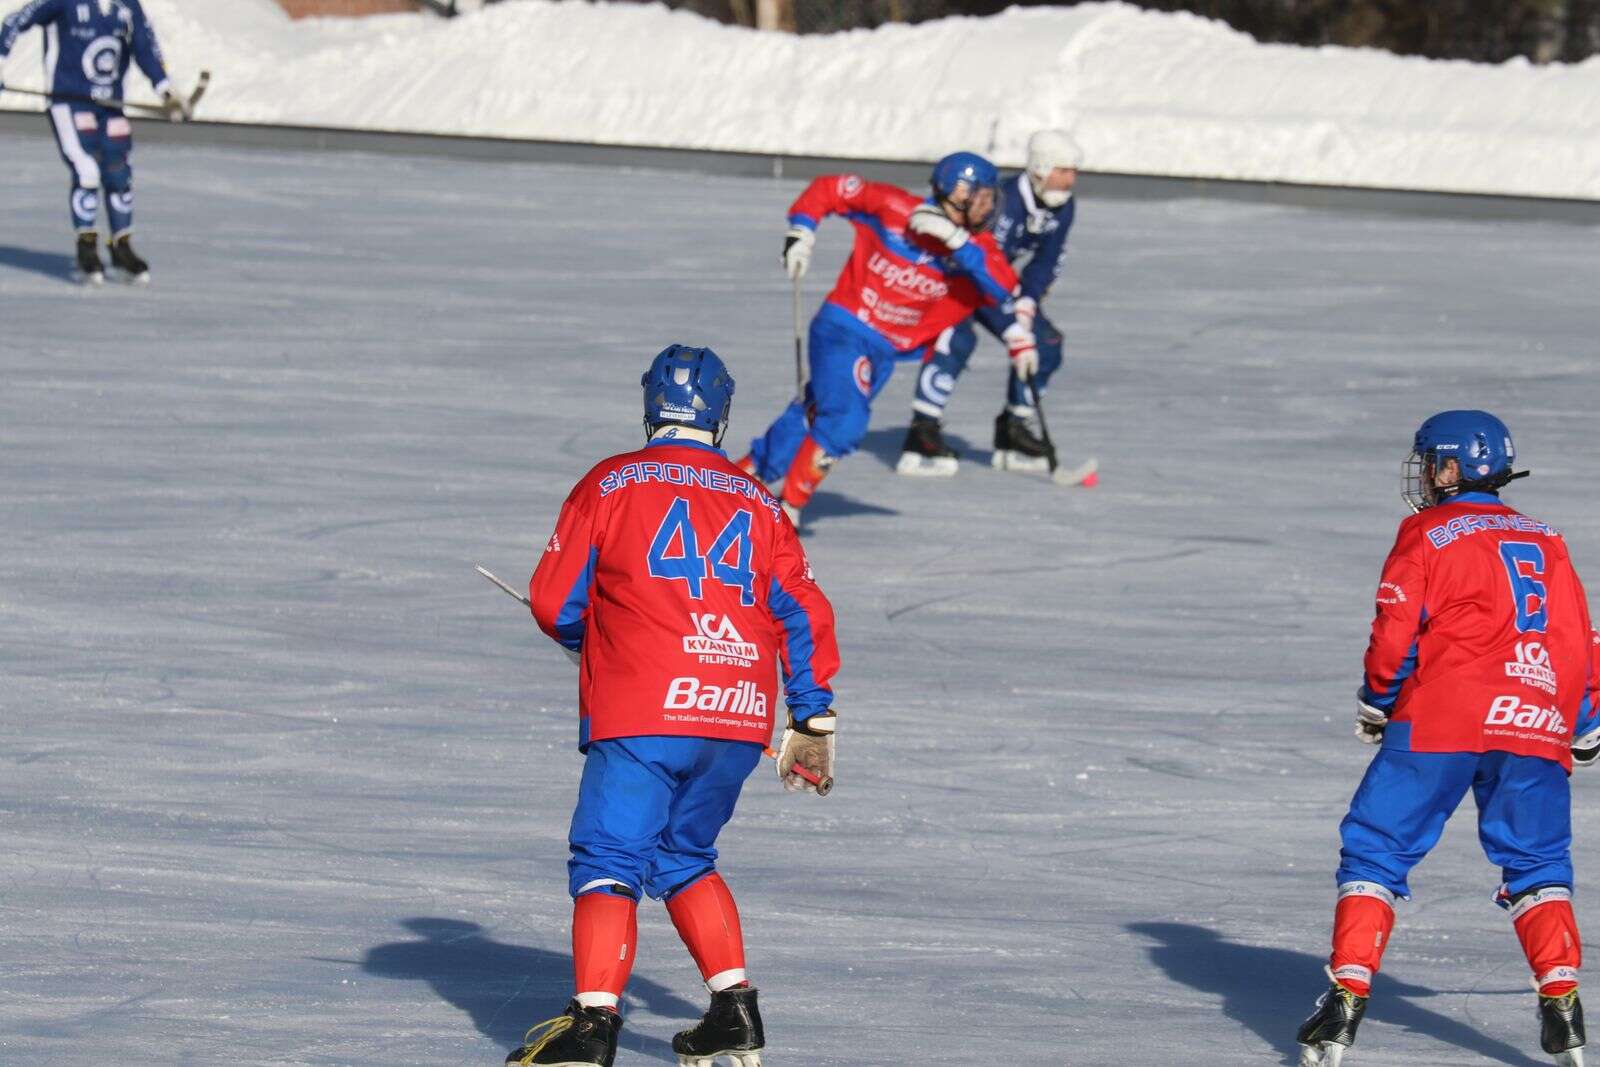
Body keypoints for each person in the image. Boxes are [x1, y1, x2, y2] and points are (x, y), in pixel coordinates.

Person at [511, 344, 841, 1067]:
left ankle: (592, 1026)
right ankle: (733, 1010)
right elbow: (803, 610)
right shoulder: (760, 500)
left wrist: (589, 638)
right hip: (735, 711)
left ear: (650, 404)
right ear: (720, 414)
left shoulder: (611, 481)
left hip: (643, 706)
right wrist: (811, 718)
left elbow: (553, 600)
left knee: (610, 856)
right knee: (682, 854)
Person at [1297, 410, 1600, 1067]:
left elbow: (1396, 627)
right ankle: (1563, 1005)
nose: (1428, 474)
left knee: (1376, 849)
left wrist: (1378, 698)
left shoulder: (1428, 531)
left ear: (1453, 467)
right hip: (1534, 714)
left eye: (1433, 462)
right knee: (1538, 862)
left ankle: (1346, 997)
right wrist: (1583, 717)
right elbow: (1576, 635)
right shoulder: (1548, 538)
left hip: (1442, 715)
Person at [739, 152, 1031, 521]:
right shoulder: (896, 208)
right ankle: (789, 507)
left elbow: (1004, 287)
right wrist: (802, 230)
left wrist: (956, 240)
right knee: (844, 420)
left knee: (813, 415)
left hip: (884, 353)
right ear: (958, 192)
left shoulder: (975, 247)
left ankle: (740, 480)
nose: (990, 208)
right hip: (843, 329)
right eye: (984, 197)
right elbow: (832, 189)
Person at [897, 130, 1083, 477]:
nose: (1071, 179)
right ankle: (922, 431)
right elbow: (976, 266)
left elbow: (1047, 260)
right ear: (1040, 168)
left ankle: (1014, 428)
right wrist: (1012, 325)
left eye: (1073, 171)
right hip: (955, 280)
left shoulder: (1064, 206)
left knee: (1046, 345)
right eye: (1063, 171)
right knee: (957, 339)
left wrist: (1027, 301)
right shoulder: (999, 202)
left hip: (997, 285)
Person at [0, 0, 190, 285]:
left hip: (110, 106)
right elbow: (14, 21)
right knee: (86, 169)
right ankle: (86, 246)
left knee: (119, 174)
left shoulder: (127, 6)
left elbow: (144, 46)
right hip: (68, 103)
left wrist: (166, 90)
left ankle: (121, 246)